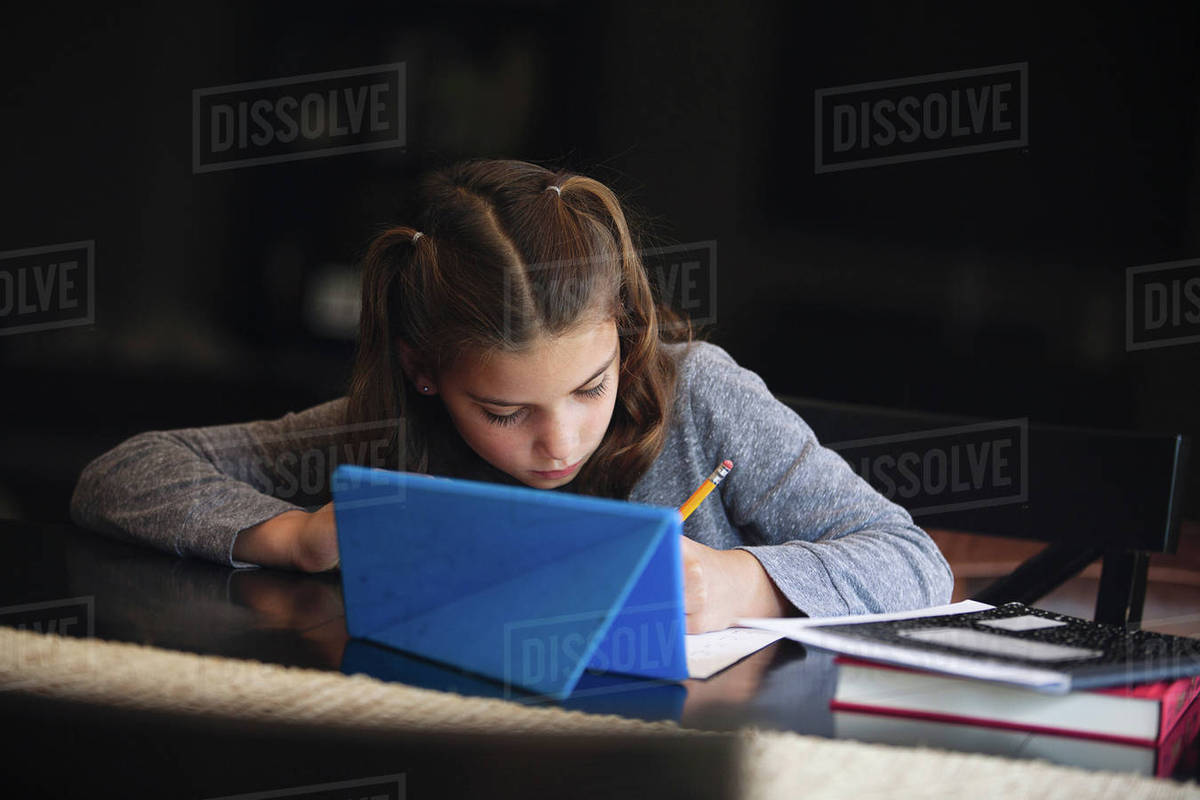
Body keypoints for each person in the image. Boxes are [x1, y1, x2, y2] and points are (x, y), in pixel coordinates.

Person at [70, 158, 953, 634]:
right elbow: (124, 472)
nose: (559, 440)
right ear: (426, 373)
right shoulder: (393, 426)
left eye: (589, 387)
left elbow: (912, 559)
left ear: (625, 331)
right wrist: (297, 536)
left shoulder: (702, 398)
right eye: (503, 413)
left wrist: (741, 583)